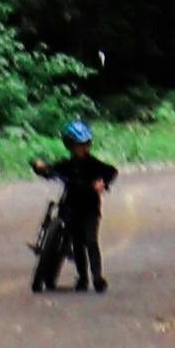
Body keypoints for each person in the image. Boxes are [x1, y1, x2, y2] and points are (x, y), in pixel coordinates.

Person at [40, 112, 118, 292]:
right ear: (70, 146)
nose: (81, 149)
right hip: (71, 207)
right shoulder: (66, 164)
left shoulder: (93, 164)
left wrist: (102, 182)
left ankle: (97, 277)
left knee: (90, 241)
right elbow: (50, 170)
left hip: (90, 209)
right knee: (77, 242)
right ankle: (83, 278)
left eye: (84, 145)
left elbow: (111, 171)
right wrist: (40, 167)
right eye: (77, 146)